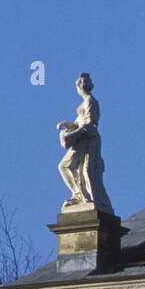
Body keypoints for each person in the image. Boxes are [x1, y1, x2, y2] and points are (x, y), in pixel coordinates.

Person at [57, 73, 113, 212]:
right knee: (65, 167)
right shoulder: (86, 102)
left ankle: (85, 196)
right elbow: (79, 123)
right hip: (81, 139)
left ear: (80, 87)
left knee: (87, 171)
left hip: (88, 139)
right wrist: (68, 125)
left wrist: (74, 134)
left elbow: (90, 124)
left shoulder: (90, 102)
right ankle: (79, 194)